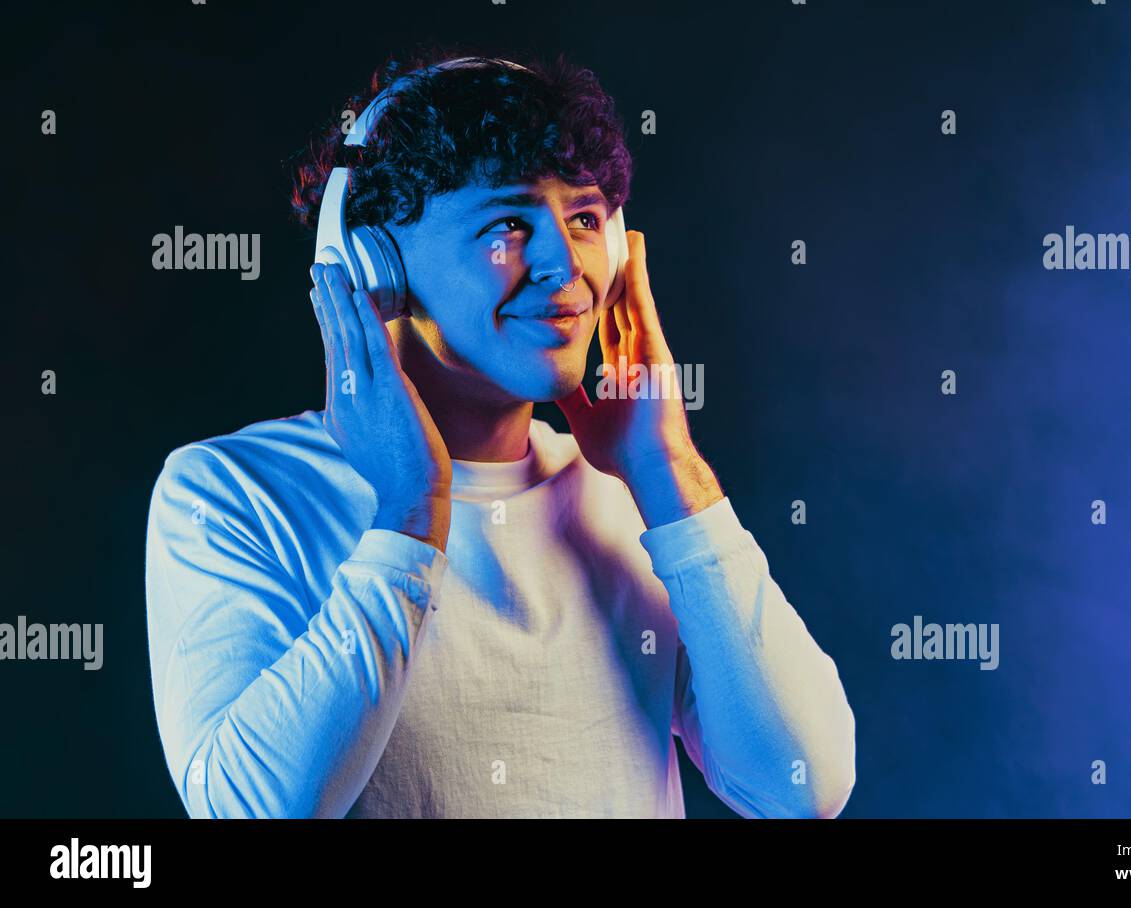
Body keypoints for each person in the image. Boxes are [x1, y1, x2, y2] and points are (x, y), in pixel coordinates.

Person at [144, 49, 856, 818]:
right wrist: (409, 518)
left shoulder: (630, 500)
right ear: (370, 262)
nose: (565, 267)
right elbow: (250, 811)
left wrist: (670, 471)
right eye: (510, 221)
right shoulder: (232, 491)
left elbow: (803, 788)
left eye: (584, 218)